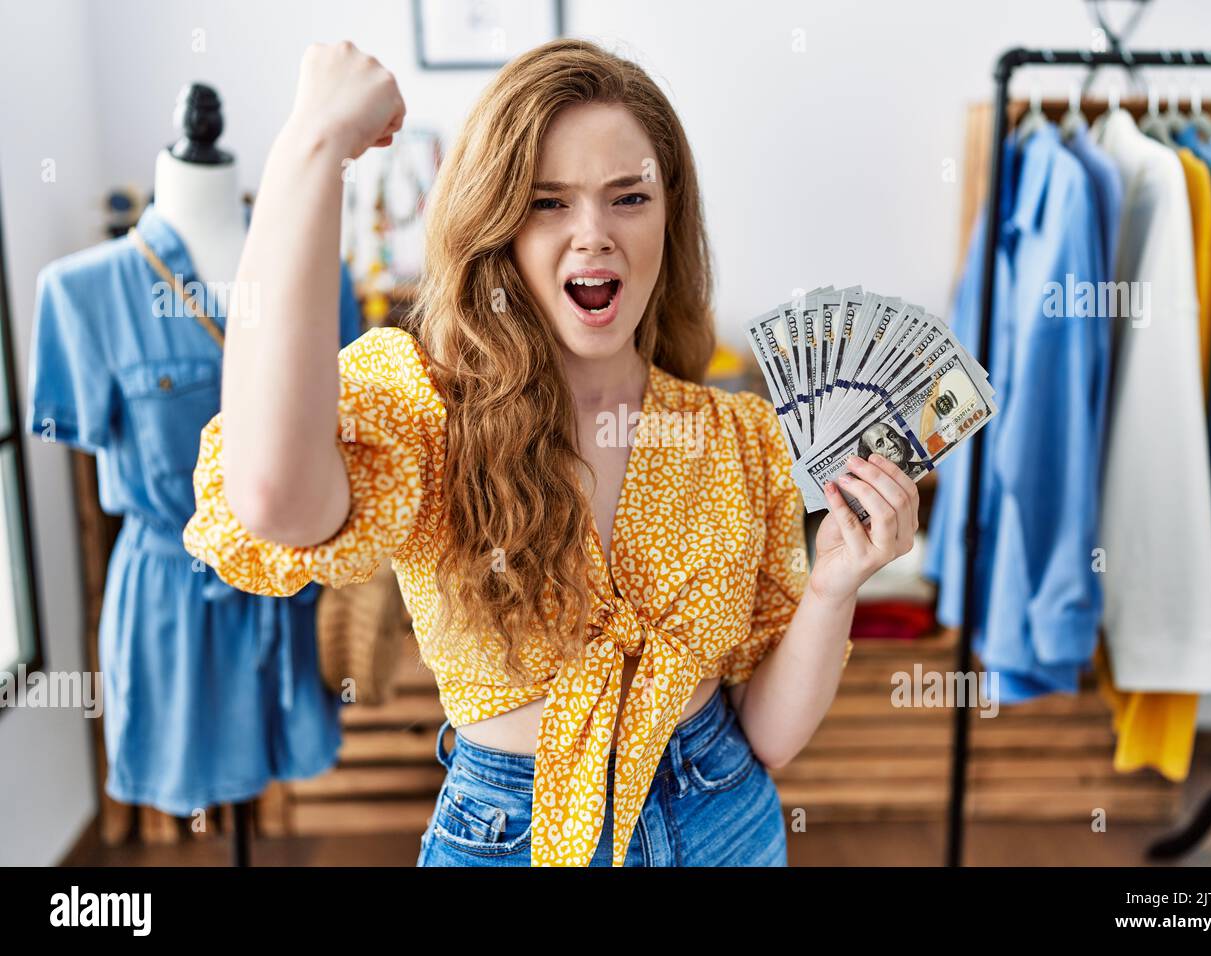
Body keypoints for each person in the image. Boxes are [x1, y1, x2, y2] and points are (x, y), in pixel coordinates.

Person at [182, 37, 921, 867]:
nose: (594, 234)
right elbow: (275, 496)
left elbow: (773, 739)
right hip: (509, 835)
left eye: (629, 197)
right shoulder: (428, 408)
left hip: (725, 819)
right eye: (547, 202)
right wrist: (313, 143)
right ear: (496, 225)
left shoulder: (735, 435)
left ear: (669, 212)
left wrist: (833, 585)